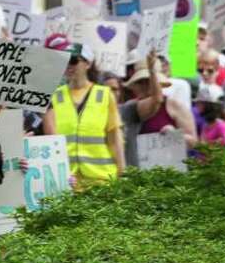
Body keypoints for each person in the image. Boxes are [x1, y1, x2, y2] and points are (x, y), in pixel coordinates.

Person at [43, 46, 123, 187]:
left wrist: (122, 172)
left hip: (102, 179)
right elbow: (51, 140)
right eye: (64, 60)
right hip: (68, 181)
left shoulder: (104, 94)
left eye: (73, 60)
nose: (68, 65)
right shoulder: (54, 96)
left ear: (88, 63)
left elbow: (114, 137)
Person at [119, 57, 197, 167]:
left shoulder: (175, 106)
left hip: (168, 172)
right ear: (134, 86)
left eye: (150, 81)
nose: (146, 86)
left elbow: (193, 141)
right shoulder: (129, 108)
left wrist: (174, 135)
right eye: (140, 82)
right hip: (136, 173)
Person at [192, 85, 225, 154]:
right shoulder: (205, 125)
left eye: (200, 103)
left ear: (209, 105)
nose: (197, 105)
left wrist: (211, 144)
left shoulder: (221, 125)